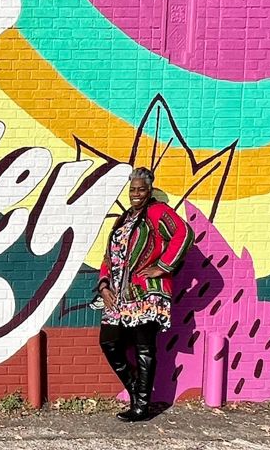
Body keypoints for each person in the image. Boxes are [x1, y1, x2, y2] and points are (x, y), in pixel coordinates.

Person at [95, 167, 192, 422]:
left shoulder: (157, 211)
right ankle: (138, 393)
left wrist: (162, 267)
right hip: (118, 294)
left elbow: (184, 234)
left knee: (144, 348)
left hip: (146, 294)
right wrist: (104, 285)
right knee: (109, 342)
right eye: (132, 190)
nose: (136, 194)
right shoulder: (124, 218)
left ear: (149, 190)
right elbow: (109, 257)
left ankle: (141, 406)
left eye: (141, 189)